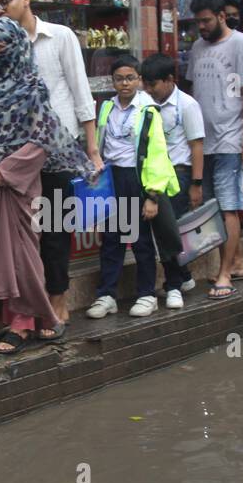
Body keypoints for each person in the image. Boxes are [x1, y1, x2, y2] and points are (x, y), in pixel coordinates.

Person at [0, 16, 92, 354]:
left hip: (14, 186)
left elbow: (42, 138)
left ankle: (22, 322)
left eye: (0, 46)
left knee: (18, 256)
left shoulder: (31, 86)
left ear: (15, 47)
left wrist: (10, 168)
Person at [0, 0, 103, 340]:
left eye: (4, 2)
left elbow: (80, 91)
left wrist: (92, 148)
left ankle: (57, 300)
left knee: (55, 229)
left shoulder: (60, 37)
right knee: (23, 234)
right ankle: (27, 310)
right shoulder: (2, 44)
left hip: (57, 148)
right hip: (17, 155)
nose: (0, 10)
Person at [86, 56, 182, 319]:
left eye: (130, 78)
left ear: (139, 80)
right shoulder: (106, 107)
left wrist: (152, 195)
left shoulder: (148, 110)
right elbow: (99, 142)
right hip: (111, 178)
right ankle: (106, 295)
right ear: (113, 81)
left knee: (140, 240)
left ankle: (146, 294)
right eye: (119, 78)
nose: (124, 83)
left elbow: (157, 154)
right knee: (111, 240)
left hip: (136, 180)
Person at [184, 0, 243, 297]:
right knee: (212, 210)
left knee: (228, 208)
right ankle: (238, 261)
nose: (201, 27)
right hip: (203, 143)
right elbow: (191, 94)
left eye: (205, 21)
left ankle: (225, 273)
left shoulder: (241, 43)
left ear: (221, 16)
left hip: (231, 141)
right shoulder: (197, 49)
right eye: (197, 22)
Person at [141, 53, 205, 307]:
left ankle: (174, 283)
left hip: (178, 174)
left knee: (171, 233)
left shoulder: (187, 105)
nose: (149, 89)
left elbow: (197, 145)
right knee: (163, 233)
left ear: (169, 80)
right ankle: (183, 277)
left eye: (153, 84)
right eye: (145, 83)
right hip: (154, 176)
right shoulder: (146, 104)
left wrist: (196, 184)